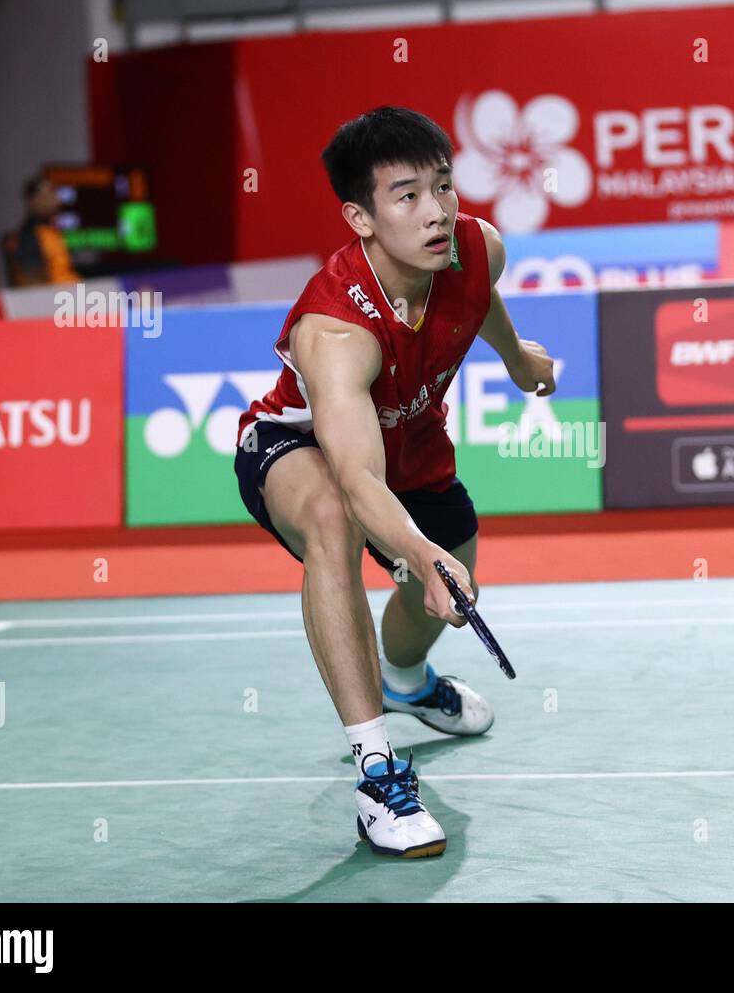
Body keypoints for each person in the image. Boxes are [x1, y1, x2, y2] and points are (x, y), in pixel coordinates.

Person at [235, 106, 556, 858]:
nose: (436, 210)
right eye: (406, 195)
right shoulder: (335, 331)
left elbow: (478, 296)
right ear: (362, 217)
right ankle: (377, 773)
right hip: (301, 447)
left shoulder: (478, 247)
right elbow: (352, 479)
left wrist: (515, 359)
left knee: (447, 577)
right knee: (337, 522)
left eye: (443, 186)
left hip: (410, 441)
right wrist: (418, 550)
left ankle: (406, 680)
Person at [7, 174, 80, 286]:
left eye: (54, 193)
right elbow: (32, 280)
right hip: (56, 297)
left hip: (75, 292)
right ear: (33, 200)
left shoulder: (53, 230)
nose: (54, 199)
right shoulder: (30, 235)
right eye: (47, 195)